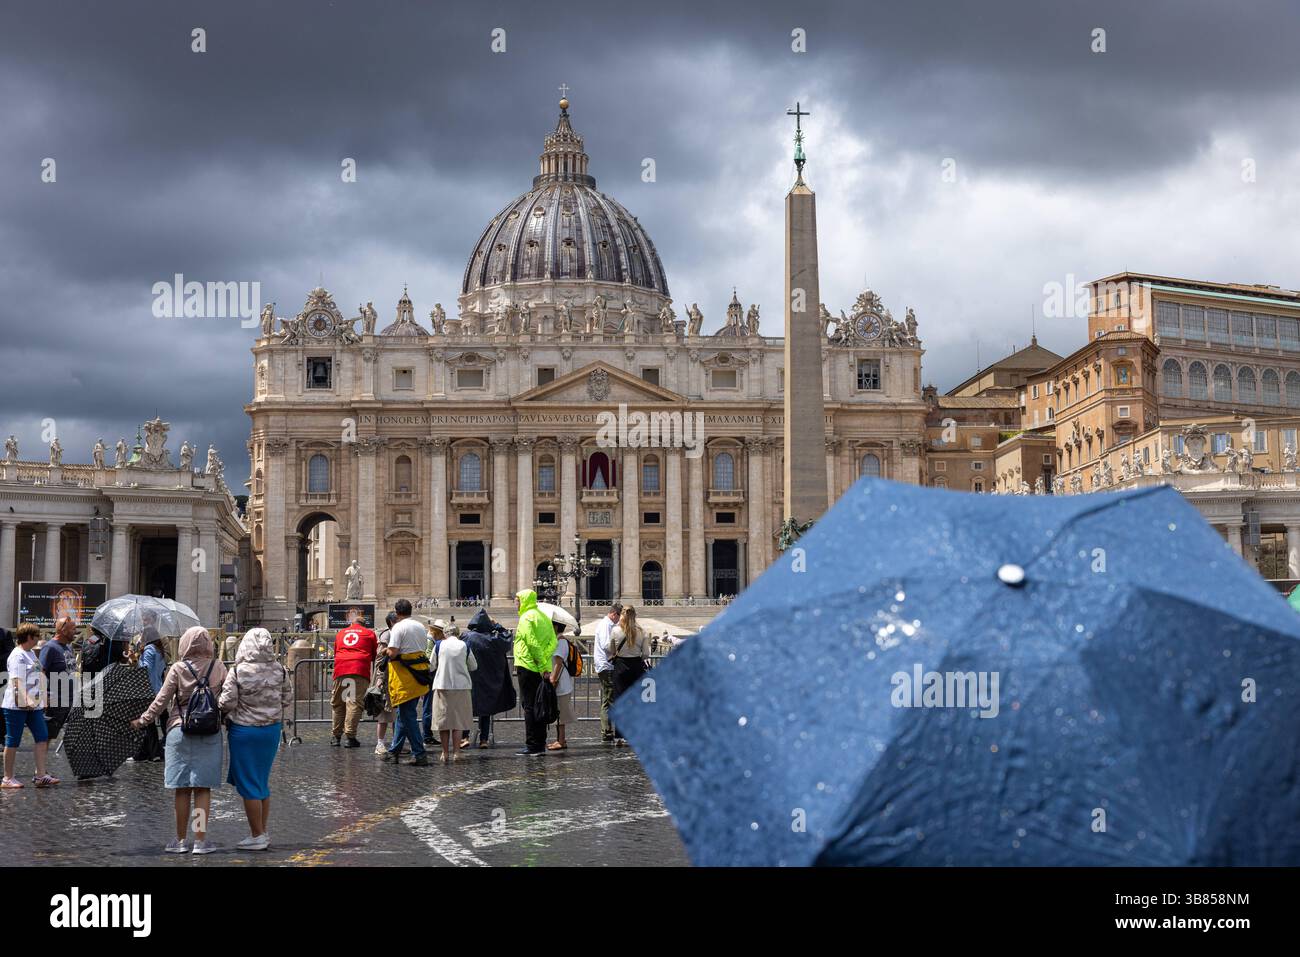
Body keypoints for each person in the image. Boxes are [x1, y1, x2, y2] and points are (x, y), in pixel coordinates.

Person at [132, 626, 228, 854]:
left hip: (179, 729)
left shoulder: (177, 668)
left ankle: (181, 840)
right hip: (209, 731)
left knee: (182, 788)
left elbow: (160, 701)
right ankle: (201, 841)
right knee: (203, 789)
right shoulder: (219, 667)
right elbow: (228, 698)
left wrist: (142, 721)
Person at [219, 628, 292, 850]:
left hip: (245, 730)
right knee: (260, 781)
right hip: (271, 730)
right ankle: (262, 831)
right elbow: (287, 698)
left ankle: (257, 834)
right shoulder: (280, 669)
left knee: (250, 784)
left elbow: (227, 702)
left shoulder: (239, 670)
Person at [3, 623, 58, 789]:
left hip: (34, 705)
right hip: (16, 706)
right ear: (29, 637)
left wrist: (43, 697)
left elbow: (39, 674)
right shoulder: (17, 655)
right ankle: (7, 778)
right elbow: (16, 682)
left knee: (42, 736)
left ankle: (41, 775)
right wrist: (27, 700)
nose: (39, 639)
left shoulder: (31, 654)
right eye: (36, 636)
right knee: (13, 740)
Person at [383, 599, 431, 766]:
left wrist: (385, 650)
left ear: (397, 613)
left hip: (405, 676)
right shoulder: (420, 626)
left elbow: (393, 652)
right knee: (405, 713)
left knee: (408, 716)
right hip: (420, 673)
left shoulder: (398, 627)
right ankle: (394, 751)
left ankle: (419, 753)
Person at [459, 609, 514, 749]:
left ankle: (464, 737)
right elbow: (508, 637)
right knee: (486, 711)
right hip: (488, 678)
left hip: (470, 678)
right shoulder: (493, 639)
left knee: (467, 709)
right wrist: (497, 625)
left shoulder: (466, 637)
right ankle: (484, 739)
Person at [512, 589, 556, 757]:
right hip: (540, 667)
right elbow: (553, 641)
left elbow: (531, 643)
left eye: (517, 601)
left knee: (529, 707)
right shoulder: (544, 617)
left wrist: (541, 664)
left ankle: (532, 745)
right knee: (541, 705)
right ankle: (541, 743)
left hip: (527, 665)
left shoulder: (525, 618)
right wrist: (545, 662)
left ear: (524, 601)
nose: (516, 604)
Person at [429, 623, 476, 764]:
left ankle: (445, 753)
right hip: (461, 687)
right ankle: (457, 752)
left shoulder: (438, 645)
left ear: (445, 634)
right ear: (458, 633)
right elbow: (474, 666)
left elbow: (431, 666)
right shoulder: (464, 645)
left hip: (442, 685)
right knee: (458, 721)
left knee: (443, 721)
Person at [330, 612, 376, 748]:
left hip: (341, 668)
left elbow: (336, 651)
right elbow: (374, 654)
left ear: (351, 624)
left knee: (339, 702)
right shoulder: (369, 633)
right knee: (354, 702)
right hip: (358, 669)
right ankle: (350, 737)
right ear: (364, 625)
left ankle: (336, 736)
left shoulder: (340, 633)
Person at [609, 607, 648, 747]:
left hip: (620, 667)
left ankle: (619, 736)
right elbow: (646, 654)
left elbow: (611, 650)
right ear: (635, 616)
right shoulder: (642, 632)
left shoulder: (615, 631)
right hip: (636, 667)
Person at [132, 627, 169, 762]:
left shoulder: (149, 650)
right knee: (162, 720)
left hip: (148, 690)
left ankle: (152, 752)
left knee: (149, 723)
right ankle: (157, 750)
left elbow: (145, 669)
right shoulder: (160, 651)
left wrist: (136, 659)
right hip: (158, 689)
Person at [39, 616, 75, 740]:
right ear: (63, 631)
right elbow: (41, 672)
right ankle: (41, 759)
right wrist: (44, 696)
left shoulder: (69, 647)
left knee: (72, 736)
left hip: (70, 699)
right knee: (47, 737)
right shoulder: (49, 647)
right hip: (56, 700)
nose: (75, 632)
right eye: (73, 629)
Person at [592, 603, 622, 744]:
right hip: (606, 665)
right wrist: (618, 651)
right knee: (610, 699)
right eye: (619, 617)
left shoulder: (609, 625)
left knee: (607, 698)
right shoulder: (605, 625)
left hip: (606, 665)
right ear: (614, 614)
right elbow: (605, 645)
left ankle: (607, 730)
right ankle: (608, 731)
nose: (619, 620)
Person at [370, 612, 398, 755]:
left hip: (395, 679)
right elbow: (381, 661)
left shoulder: (396, 634)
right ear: (392, 623)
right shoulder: (387, 636)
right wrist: (380, 679)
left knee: (395, 715)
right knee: (384, 715)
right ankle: (380, 744)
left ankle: (396, 743)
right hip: (385, 679)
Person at [547, 623, 576, 751]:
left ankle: (561, 740)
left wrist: (553, 679)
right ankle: (560, 739)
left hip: (561, 683)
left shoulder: (561, 642)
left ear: (556, 627)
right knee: (558, 713)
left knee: (561, 714)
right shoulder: (557, 640)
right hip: (561, 682)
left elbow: (558, 663)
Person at [420, 620, 448, 745]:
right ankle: (427, 735)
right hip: (431, 677)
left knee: (429, 706)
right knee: (428, 707)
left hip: (430, 677)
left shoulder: (432, 639)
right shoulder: (431, 640)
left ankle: (427, 734)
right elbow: (429, 661)